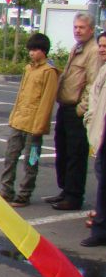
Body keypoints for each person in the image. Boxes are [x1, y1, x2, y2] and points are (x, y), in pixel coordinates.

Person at [43, 13, 99, 210]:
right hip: (65, 107)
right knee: (63, 150)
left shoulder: (92, 51)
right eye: (76, 27)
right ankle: (66, 190)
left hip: (76, 111)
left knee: (76, 154)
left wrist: (81, 109)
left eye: (82, 27)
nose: (77, 30)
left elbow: (92, 83)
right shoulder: (77, 48)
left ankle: (74, 196)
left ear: (91, 30)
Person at [0, 33, 59, 208]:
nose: (32, 53)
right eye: (30, 50)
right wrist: (13, 116)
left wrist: (39, 126)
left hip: (34, 125)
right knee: (10, 155)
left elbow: (47, 101)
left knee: (31, 160)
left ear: (44, 51)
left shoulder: (49, 71)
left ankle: (25, 193)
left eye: (35, 50)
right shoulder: (28, 69)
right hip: (19, 120)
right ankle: (6, 189)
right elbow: (21, 96)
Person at [80, 33, 106, 246]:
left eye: (105, 46)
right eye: (101, 45)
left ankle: (100, 228)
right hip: (101, 135)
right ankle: (100, 224)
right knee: (102, 181)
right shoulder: (103, 70)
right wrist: (90, 120)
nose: (102, 49)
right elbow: (95, 101)